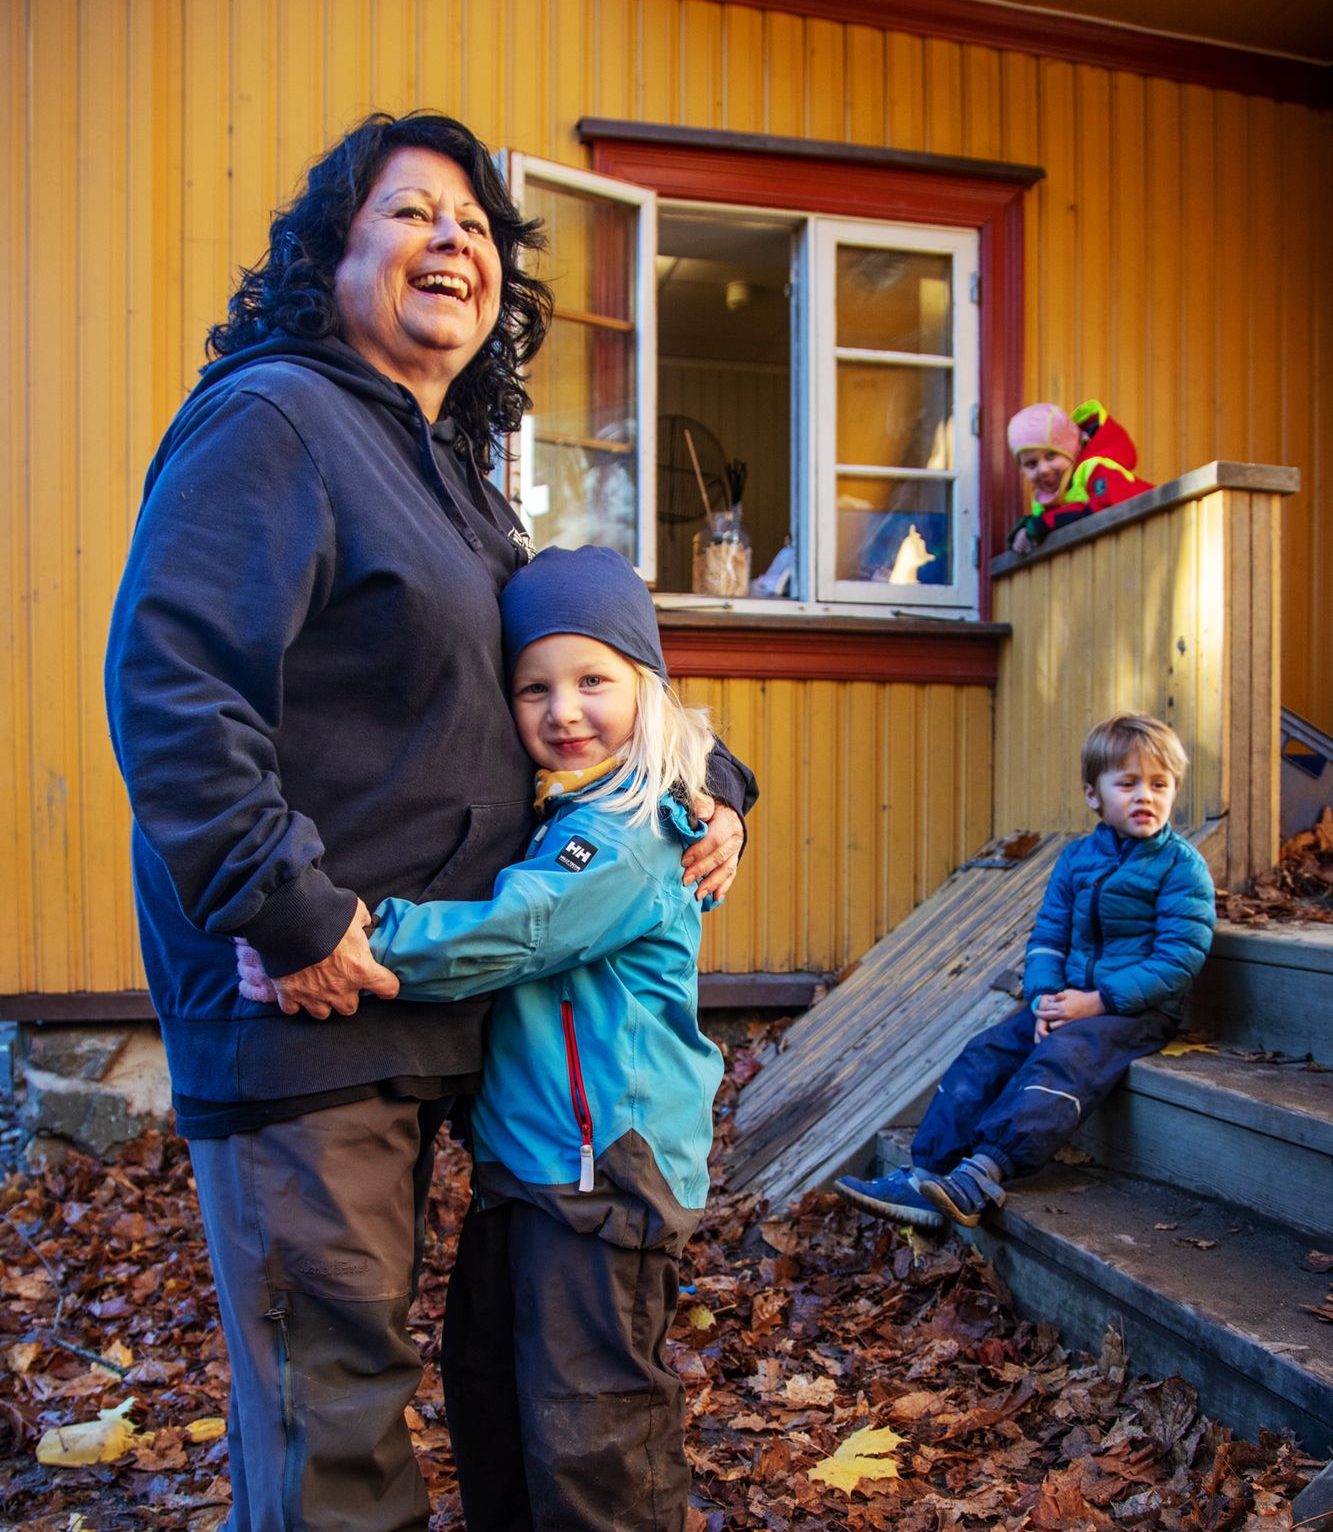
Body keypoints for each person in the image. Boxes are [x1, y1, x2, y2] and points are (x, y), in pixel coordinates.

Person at [103, 112, 753, 1532]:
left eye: (474, 224)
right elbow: (174, 684)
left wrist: (713, 792)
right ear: (327, 259)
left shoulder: (448, 479)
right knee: (332, 1417)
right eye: (409, 212)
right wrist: (291, 912)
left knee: (407, 1387)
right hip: (306, 1004)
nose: (451, 239)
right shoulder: (279, 420)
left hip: (430, 1019)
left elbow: (580, 677)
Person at [341, 544, 725, 1531]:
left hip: (599, 1175)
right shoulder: (564, 811)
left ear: (646, 688)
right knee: (494, 1395)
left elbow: (523, 927)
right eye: (533, 687)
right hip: (531, 1168)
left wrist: (356, 939)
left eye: (593, 680)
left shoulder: (631, 830)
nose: (563, 710)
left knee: (595, 1428)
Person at [835, 713, 1215, 1232]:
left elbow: (1178, 960)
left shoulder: (1180, 867)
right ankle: (926, 1175)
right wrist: (1043, 1000)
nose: (1145, 796)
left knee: (1062, 1059)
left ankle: (981, 1175)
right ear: (1093, 795)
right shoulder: (1077, 860)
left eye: (1159, 784)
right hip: (1068, 1002)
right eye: (1128, 784)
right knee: (986, 1051)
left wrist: (1097, 1001)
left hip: (1136, 1010)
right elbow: (1048, 939)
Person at [1006, 398, 1145, 555]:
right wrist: (1028, 531)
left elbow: (1106, 508)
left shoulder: (1097, 468)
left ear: (1072, 451)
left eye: (1051, 456)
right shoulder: (1044, 500)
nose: (1043, 470)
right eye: (1031, 464)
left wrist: (1044, 523)